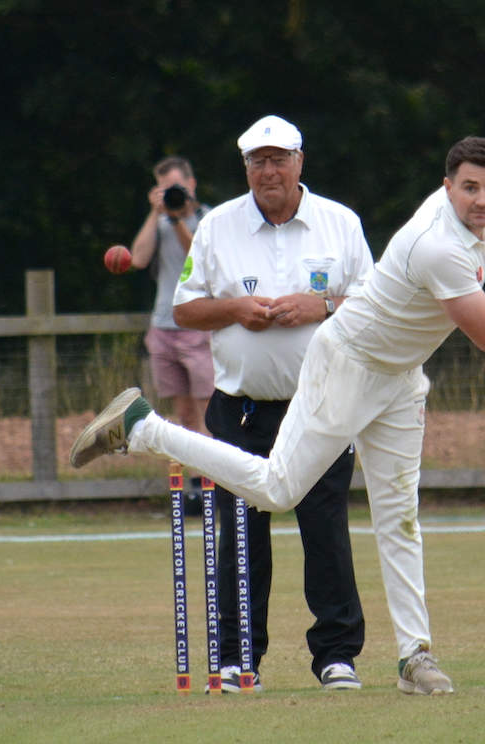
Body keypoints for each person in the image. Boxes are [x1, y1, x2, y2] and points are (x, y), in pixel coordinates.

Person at [71, 52, 485, 694]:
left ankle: (414, 657)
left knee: (400, 512)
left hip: (400, 377)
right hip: (347, 360)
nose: (484, 200)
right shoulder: (438, 246)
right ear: (446, 187)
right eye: (471, 190)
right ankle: (143, 428)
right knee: (277, 489)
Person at [170, 115, 375, 693]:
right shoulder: (216, 226)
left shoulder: (340, 223)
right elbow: (185, 309)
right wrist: (235, 309)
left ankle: (337, 655)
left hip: (323, 407)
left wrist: (323, 307)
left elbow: (378, 302)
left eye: (279, 158)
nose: (269, 171)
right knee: (239, 533)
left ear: (300, 162)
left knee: (325, 531)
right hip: (242, 409)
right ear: (246, 168)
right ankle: (238, 658)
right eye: (258, 161)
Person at [128, 156, 216, 506]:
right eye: (165, 189)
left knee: (209, 412)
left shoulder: (209, 219)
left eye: (177, 187)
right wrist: (156, 213)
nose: (173, 194)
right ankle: (195, 488)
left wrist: (179, 219)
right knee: (185, 415)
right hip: (164, 326)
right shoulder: (160, 221)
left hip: (198, 327)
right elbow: (137, 259)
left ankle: (216, 484)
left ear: (192, 184)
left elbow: (198, 256)